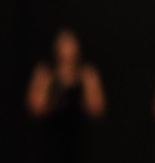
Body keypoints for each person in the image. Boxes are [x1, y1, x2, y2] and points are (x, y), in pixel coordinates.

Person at [26, 28, 106, 163]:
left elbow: (98, 109)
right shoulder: (45, 73)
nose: (67, 50)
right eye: (63, 44)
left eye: (70, 44)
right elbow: (35, 108)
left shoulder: (87, 74)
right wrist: (52, 92)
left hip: (79, 140)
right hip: (50, 140)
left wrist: (85, 89)